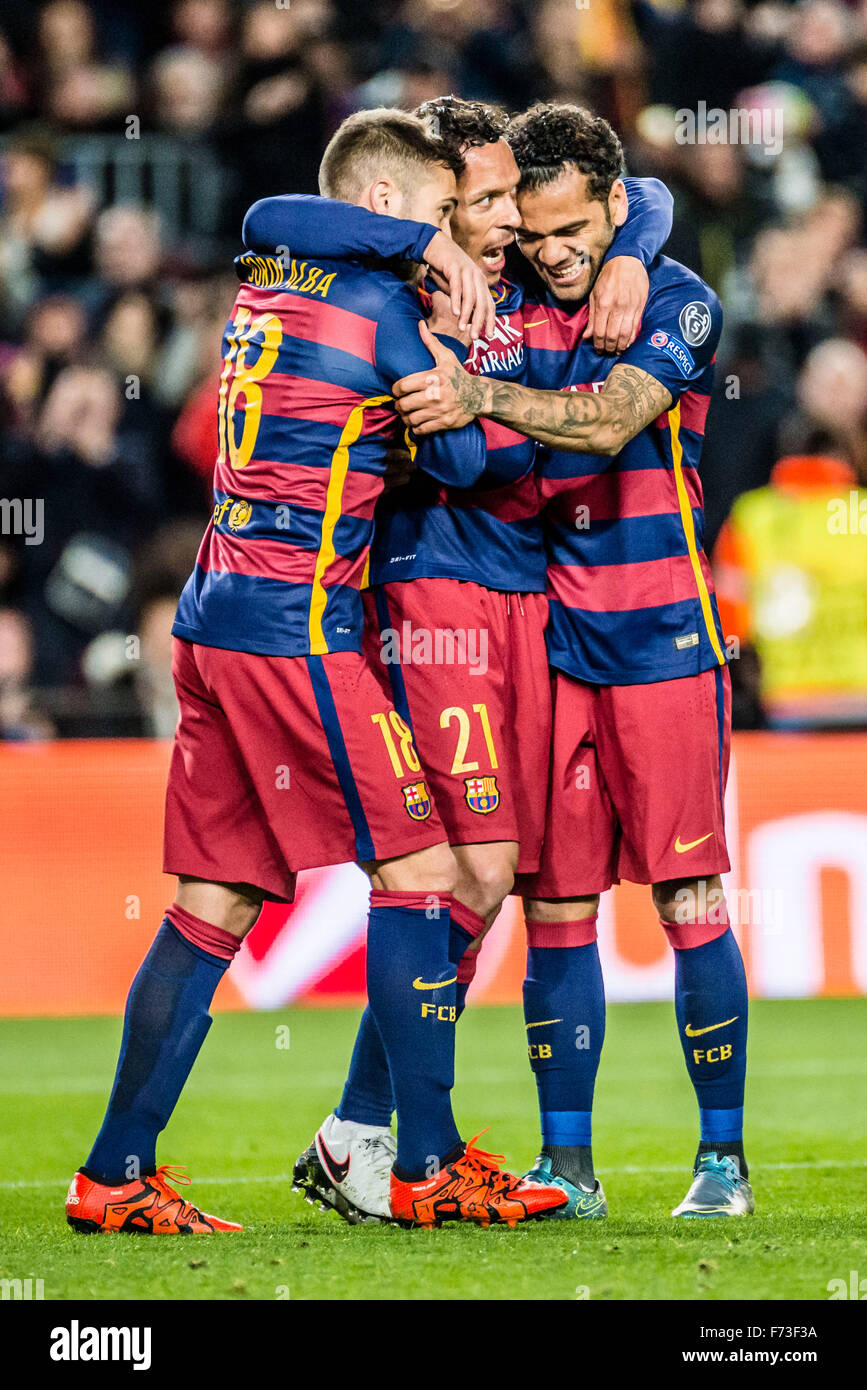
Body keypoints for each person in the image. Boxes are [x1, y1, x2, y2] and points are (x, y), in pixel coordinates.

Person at [65, 107, 566, 1235]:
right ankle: (420, 1162)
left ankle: (112, 1173)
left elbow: (270, 215)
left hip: (209, 618)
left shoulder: (270, 283)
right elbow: (462, 457)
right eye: (440, 213)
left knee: (211, 900)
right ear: (387, 210)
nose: (450, 233)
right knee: (425, 872)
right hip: (298, 627)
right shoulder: (385, 304)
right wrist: (468, 383)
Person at [242, 95, 674, 1221]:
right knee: (468, 872)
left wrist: (632, 246)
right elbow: (278, 211)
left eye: (497, 202)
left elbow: (648, 193)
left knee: (494, 879)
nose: (498, 222)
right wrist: (426, 254)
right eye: (475, 201)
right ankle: (389, 1141)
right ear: (431, 205)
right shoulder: (408, 283)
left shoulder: (522, 272)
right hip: (433, 589)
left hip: (528, 599)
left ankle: (362, 1132)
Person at [393, 102, 753, 1220]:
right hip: (555, 647)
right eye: (531, 231)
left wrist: (481, 394)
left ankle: (722, 1163)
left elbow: (608, 423)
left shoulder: (676, 299)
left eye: (572, 230)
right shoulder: (521, 309)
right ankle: (568, 1165)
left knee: (690, 894)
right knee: (557, 908)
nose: (550, 251)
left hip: (665, 641)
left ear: (612, 204)